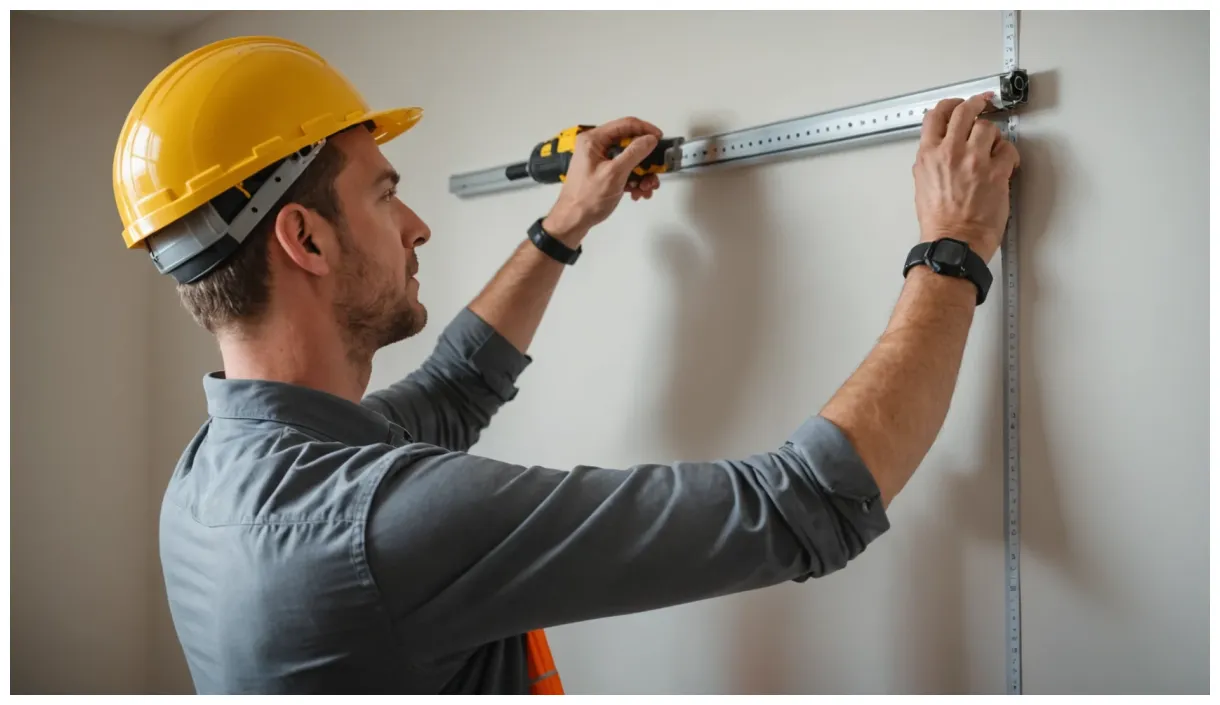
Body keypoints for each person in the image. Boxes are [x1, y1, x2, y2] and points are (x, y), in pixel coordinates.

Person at [114, 37, 1019, 695]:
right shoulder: (377, 527)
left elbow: (456, 388)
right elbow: (800, 506)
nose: (416, 225)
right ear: (304, 237)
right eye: (385, 194)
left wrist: (566, 222)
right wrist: (956, 244)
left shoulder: (211, 481)